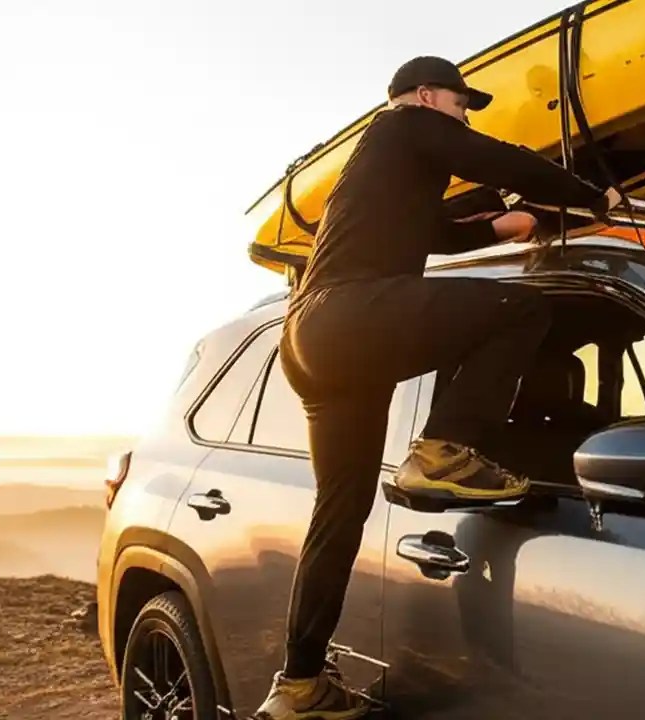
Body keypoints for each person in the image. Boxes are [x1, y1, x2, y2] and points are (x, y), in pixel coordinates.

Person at [253, 55, 622, 719]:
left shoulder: (378, 176)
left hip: (312, 340)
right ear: (426, 96)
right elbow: (495, 158)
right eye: (459, 105)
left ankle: (300, 683)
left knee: (339, 514)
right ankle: (446, 446)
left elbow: (437, 234)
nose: (462, 116)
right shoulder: (399, 128)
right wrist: (594, 196)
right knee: (522, 308)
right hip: (347, 317)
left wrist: (503, 227)